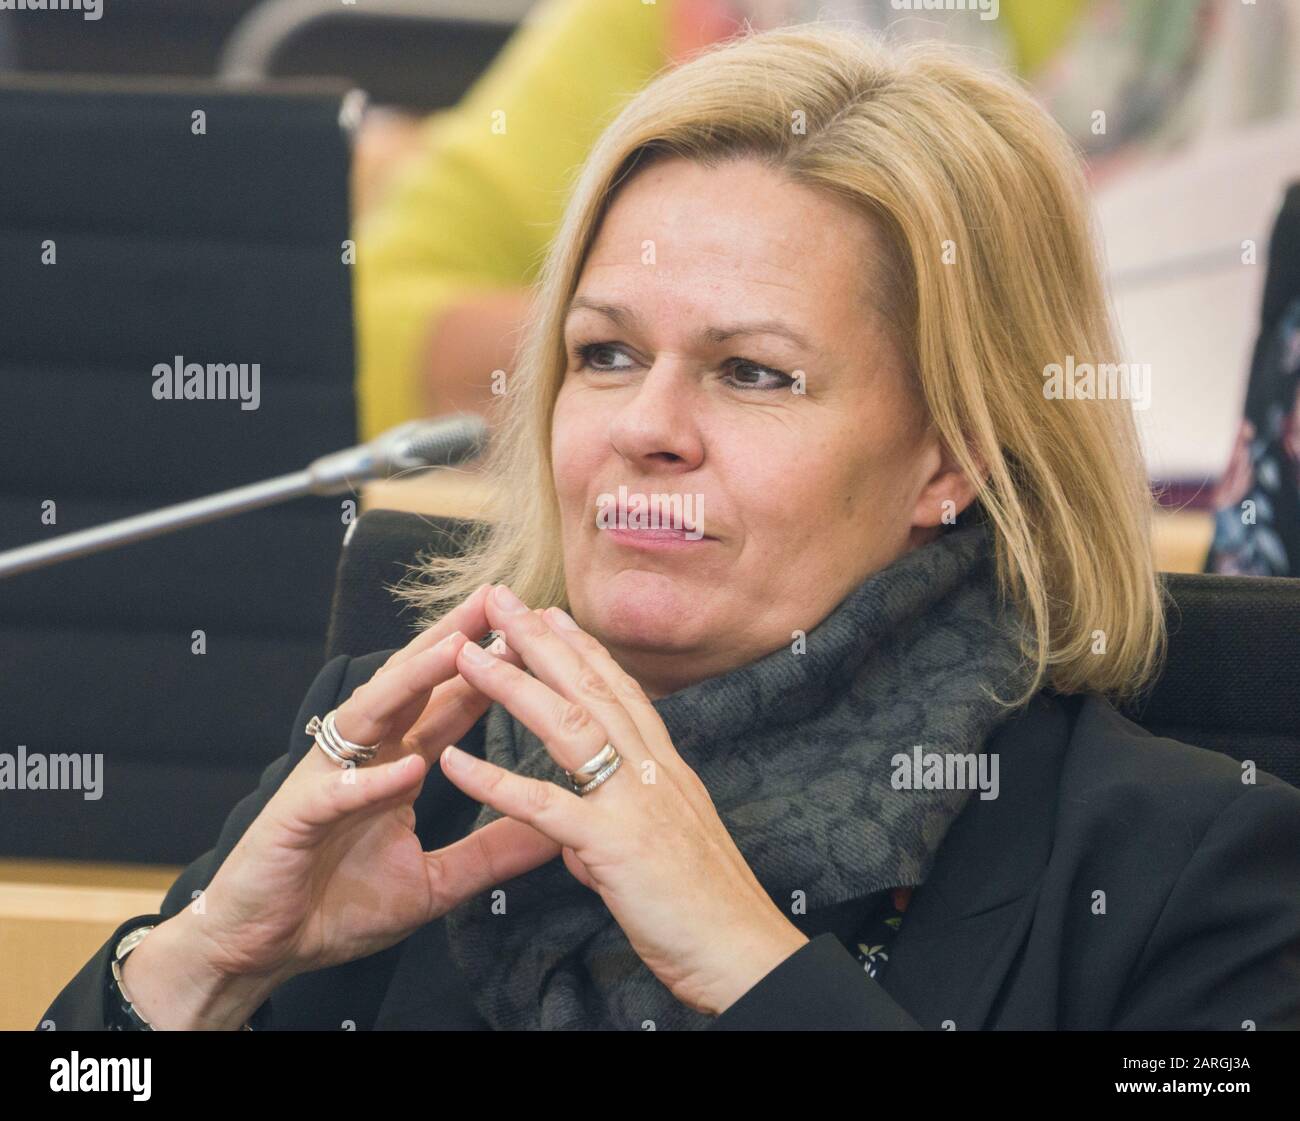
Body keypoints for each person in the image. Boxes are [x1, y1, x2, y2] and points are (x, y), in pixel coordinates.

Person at [41, 24, 1300, 1031]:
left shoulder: (1183, 865)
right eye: (603, 353)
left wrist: (756, 967)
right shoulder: (401, 753)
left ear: (949, 458)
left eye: (753, 371)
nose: (645, 426)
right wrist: (195, 974)